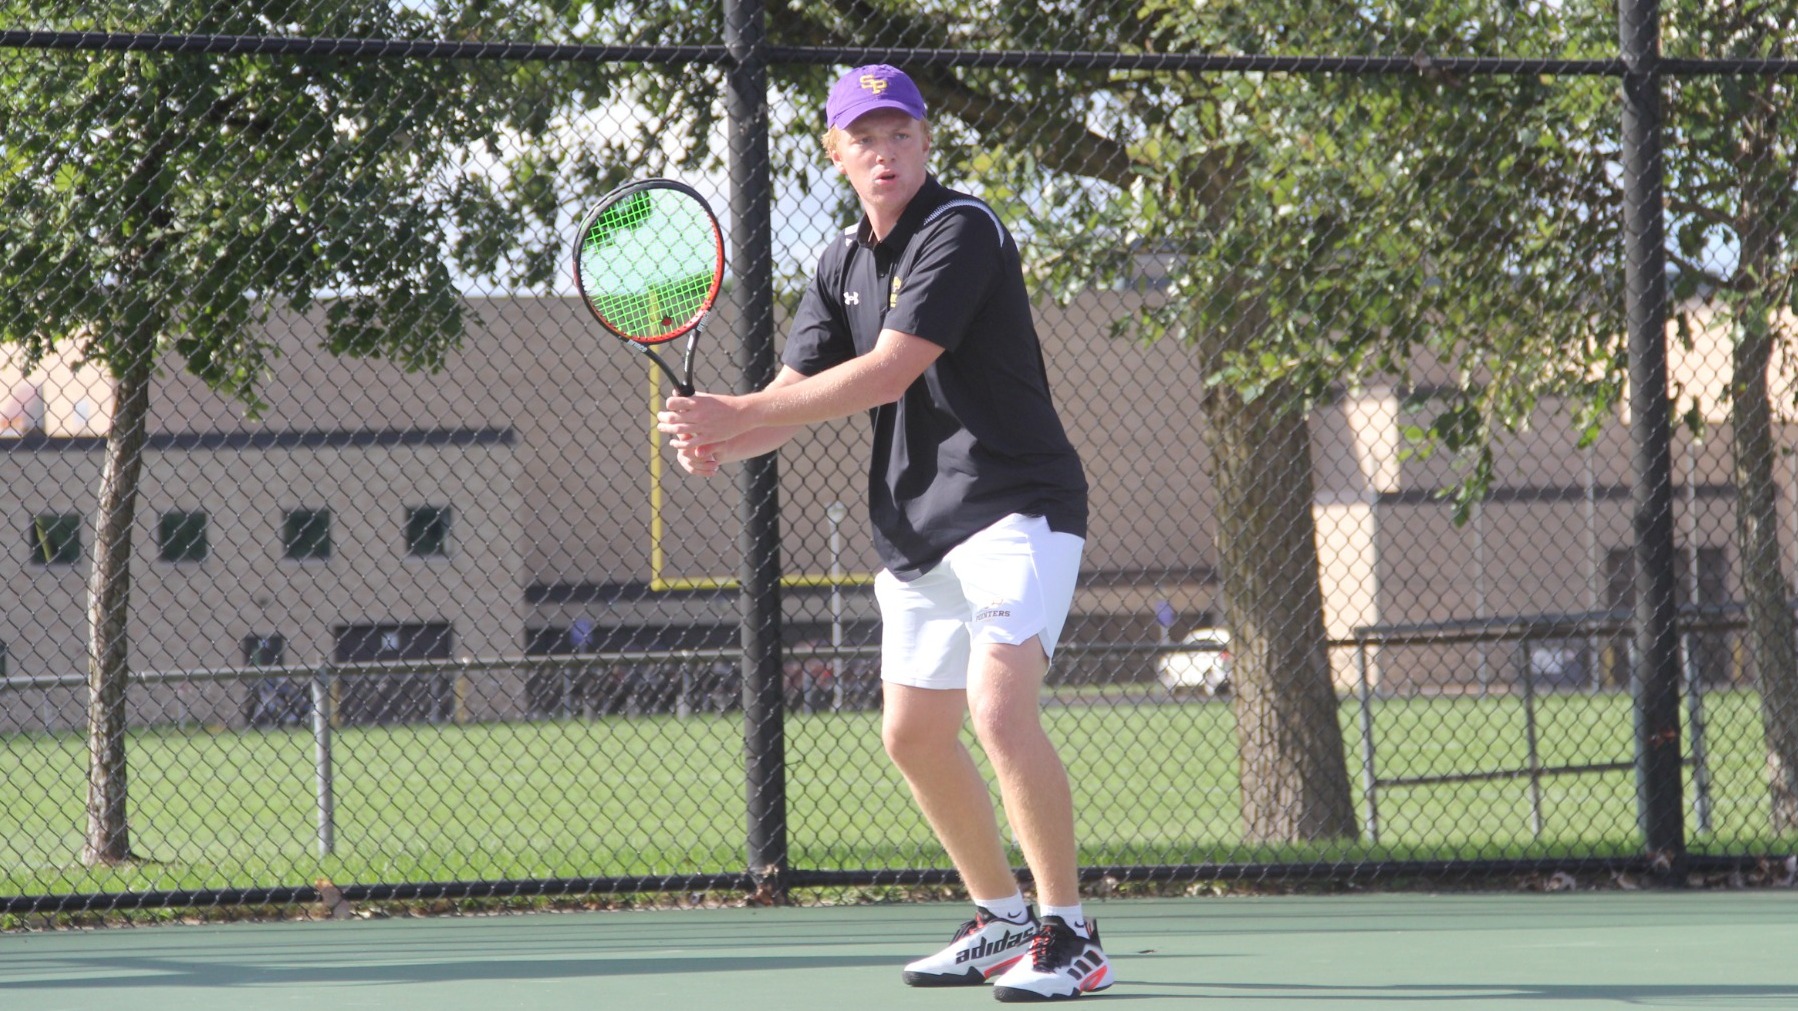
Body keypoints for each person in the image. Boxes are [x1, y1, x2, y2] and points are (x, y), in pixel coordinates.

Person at [657, 64, 1111, 1001]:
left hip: (1014, 506)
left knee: (997, 710)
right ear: (837, 154)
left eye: (900, 132)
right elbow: (791, 398)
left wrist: (730, 412)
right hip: (917, 527)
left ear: (926, 141)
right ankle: (1002, 918)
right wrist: (727, 436)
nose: (885, 150)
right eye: (865, 137)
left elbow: (890, 372)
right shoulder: (836, 262)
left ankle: (1071, 932)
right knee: (911, 735)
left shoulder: (961, 229)